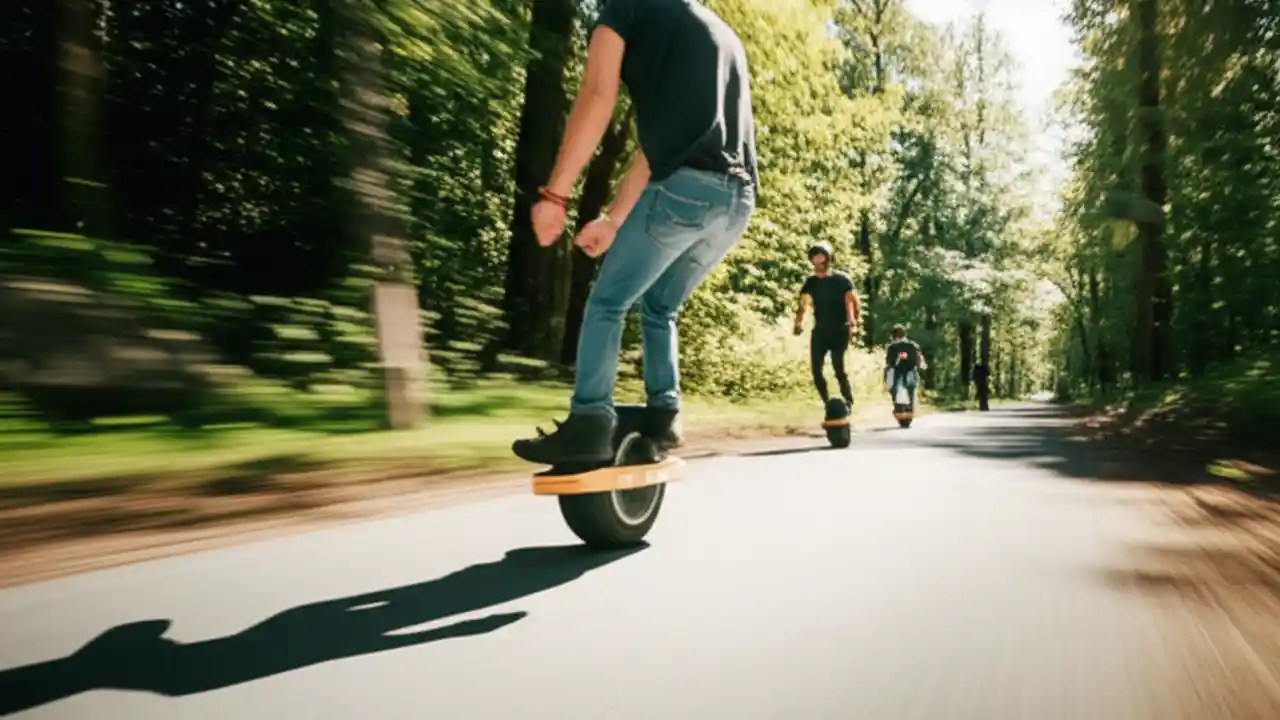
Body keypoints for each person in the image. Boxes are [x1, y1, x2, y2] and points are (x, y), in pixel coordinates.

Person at [513, 0, 758, 466]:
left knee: (607, 302)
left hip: (687, 192)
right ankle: (664, 413)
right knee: (660, 305)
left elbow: (597, 95)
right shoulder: (717, 32)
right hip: (735, 203)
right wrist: (613, 220)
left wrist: (556, 195)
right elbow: (655, 153)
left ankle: (589, 421)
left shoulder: (626, 8)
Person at [792, 242, 860, 408]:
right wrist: (799, 322)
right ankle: (827, 402)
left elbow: (852, 302)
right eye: (814, 257)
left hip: (839, 330)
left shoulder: (842, 280)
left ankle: (848, 401)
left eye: (821, 256)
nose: (817, 260)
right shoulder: (811, 282)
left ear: (829, 259)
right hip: (821, 330)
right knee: (816, 371)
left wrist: (853, 324)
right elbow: (803, 303)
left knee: (838, 368)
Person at [884, 324, 926, 406]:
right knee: (911, 385)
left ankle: (896, 402)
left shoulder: (891, 347)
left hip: (897, 372)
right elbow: (919, 360)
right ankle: (911, 402)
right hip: (910, 370)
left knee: (892, 384)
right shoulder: (913, 345)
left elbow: (889, 362)